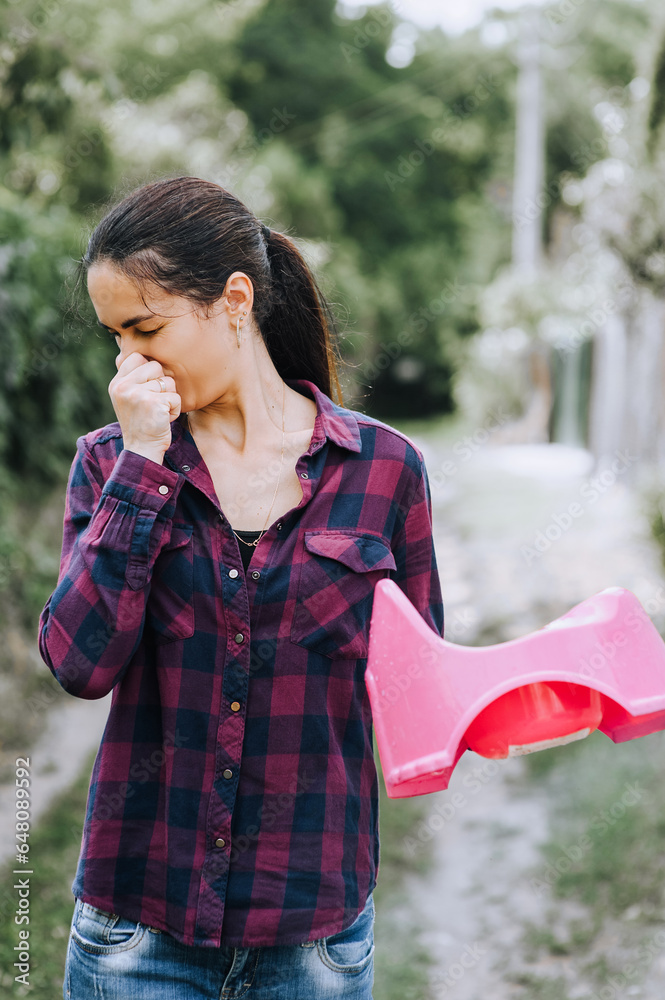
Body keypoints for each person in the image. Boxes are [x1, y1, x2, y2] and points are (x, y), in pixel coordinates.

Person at [38, 174, 444, 999]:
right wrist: (142, 464)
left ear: (232, 300)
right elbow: (79, 664)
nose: (128, 363)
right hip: (137, 932)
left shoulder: (386, 471)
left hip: (311, 936)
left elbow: (416, 689)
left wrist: (511, 707)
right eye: (114, 338)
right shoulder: (109, 464)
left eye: (145, 330)